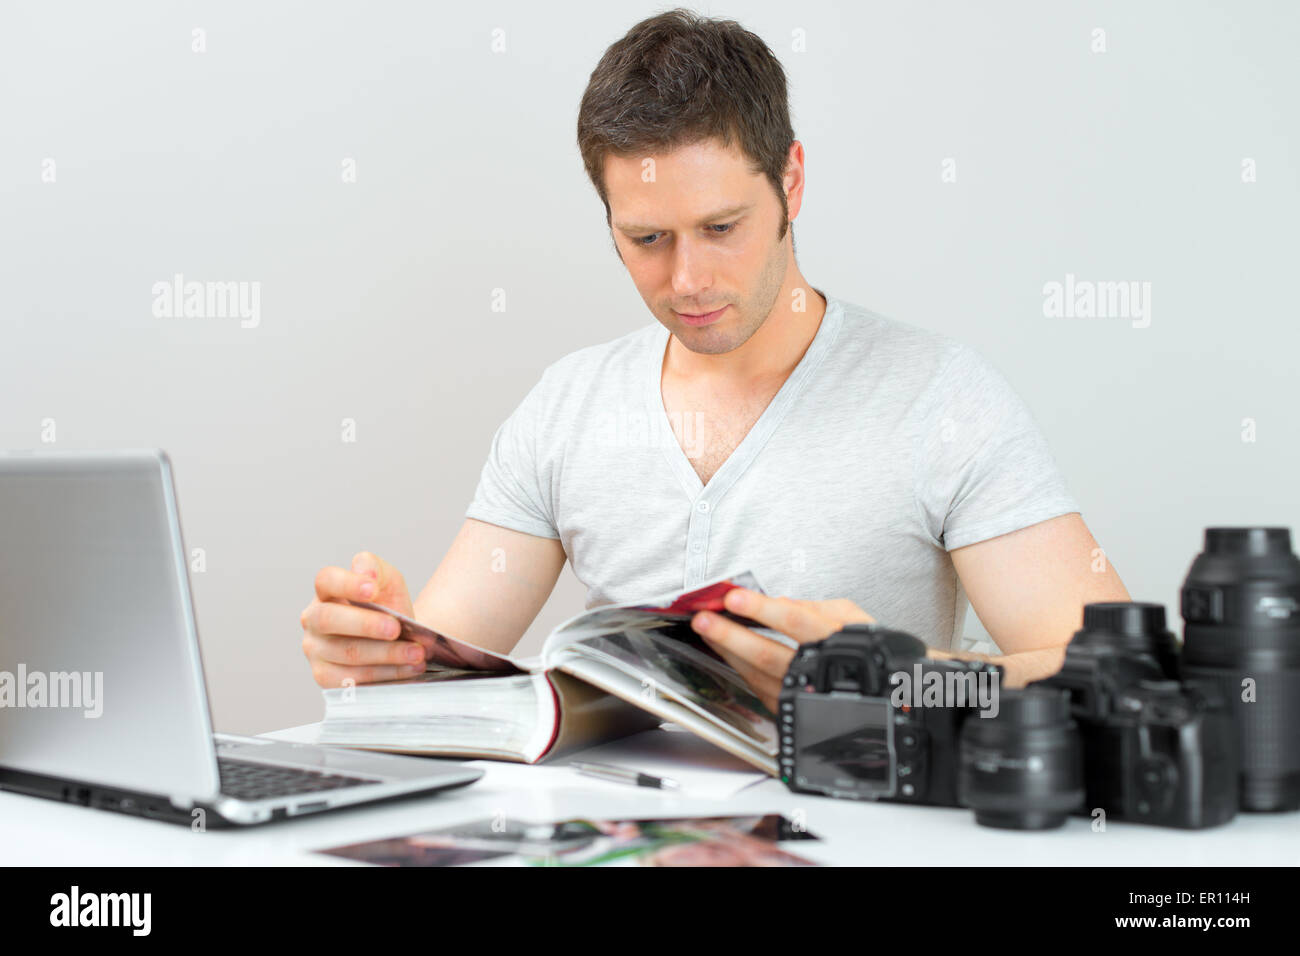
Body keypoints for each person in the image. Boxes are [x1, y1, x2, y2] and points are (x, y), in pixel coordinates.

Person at [300, 9, 1129, 713]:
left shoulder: (941, 399)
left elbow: (1110, 678)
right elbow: (445, 678)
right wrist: (381, 655)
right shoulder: (568, 407)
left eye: (721, 228)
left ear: (791, 181)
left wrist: (892, 681)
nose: (687, 280)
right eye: (648, 239)